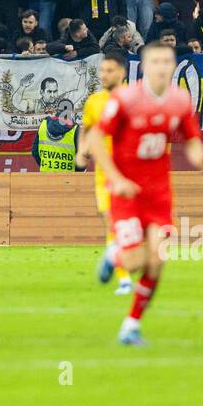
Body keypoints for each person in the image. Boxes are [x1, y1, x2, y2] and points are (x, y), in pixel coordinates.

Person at [87, 42, 203, 346]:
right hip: (127, 193)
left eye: (166, 61)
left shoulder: (179, 100)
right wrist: (116, 179)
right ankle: (115, 255)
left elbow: (192, 142)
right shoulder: (125, 100)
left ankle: (131, 326)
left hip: (159, 194)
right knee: (134, 262)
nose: (161, 67)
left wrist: (202, 159)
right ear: (144, 66)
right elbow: (95, 139)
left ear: (173, 66)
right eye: (155, 61)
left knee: (157, 261)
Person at [75, 49, 132, 294]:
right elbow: (86, 129)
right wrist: (82, 150)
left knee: (127, 225)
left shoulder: (133, 100)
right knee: (111, 220)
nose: (104, 75)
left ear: (122, 72)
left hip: (130, 171)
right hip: (104, 172)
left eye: (109, 70)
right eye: (102, 70)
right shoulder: (94, 101)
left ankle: (114, 259)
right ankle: (123, 277)